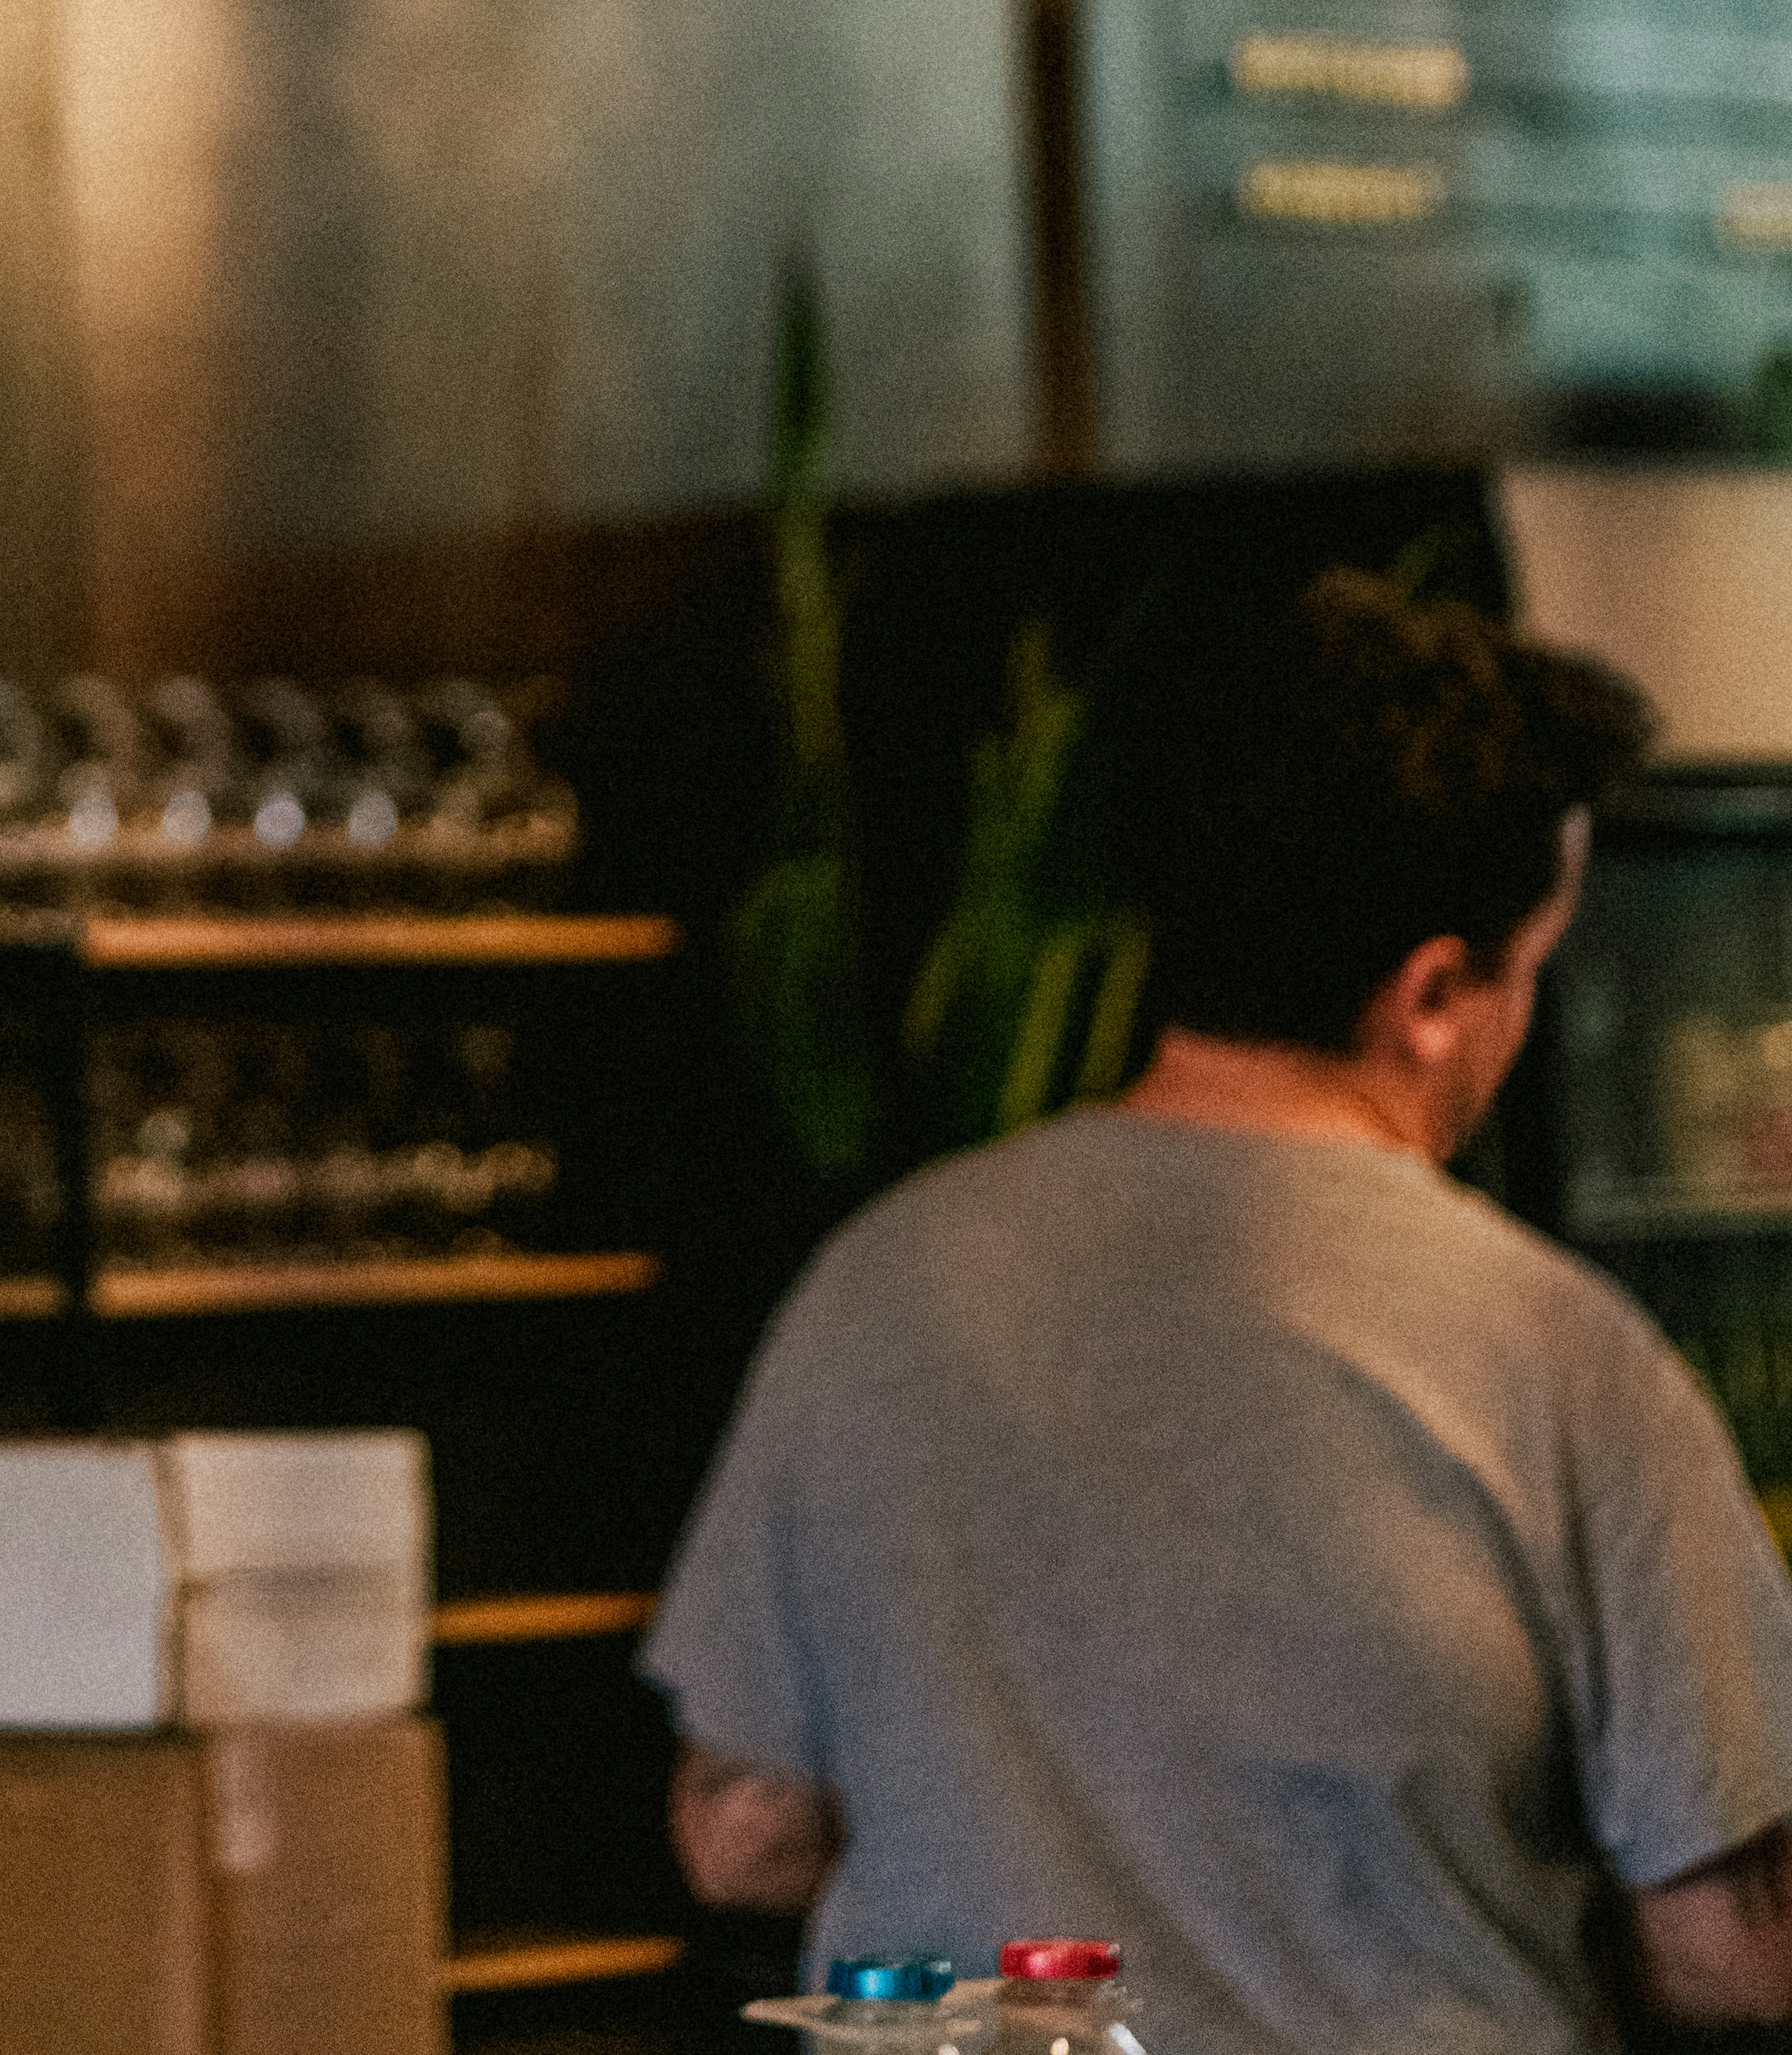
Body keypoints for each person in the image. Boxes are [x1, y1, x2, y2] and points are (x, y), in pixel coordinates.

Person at [646, 569, 1792, 2050]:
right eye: (1529, 973)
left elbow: (741, 1831)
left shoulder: (877, 1285)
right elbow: (1727, 1951)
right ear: (1431, 993)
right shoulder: (1554, 1356)